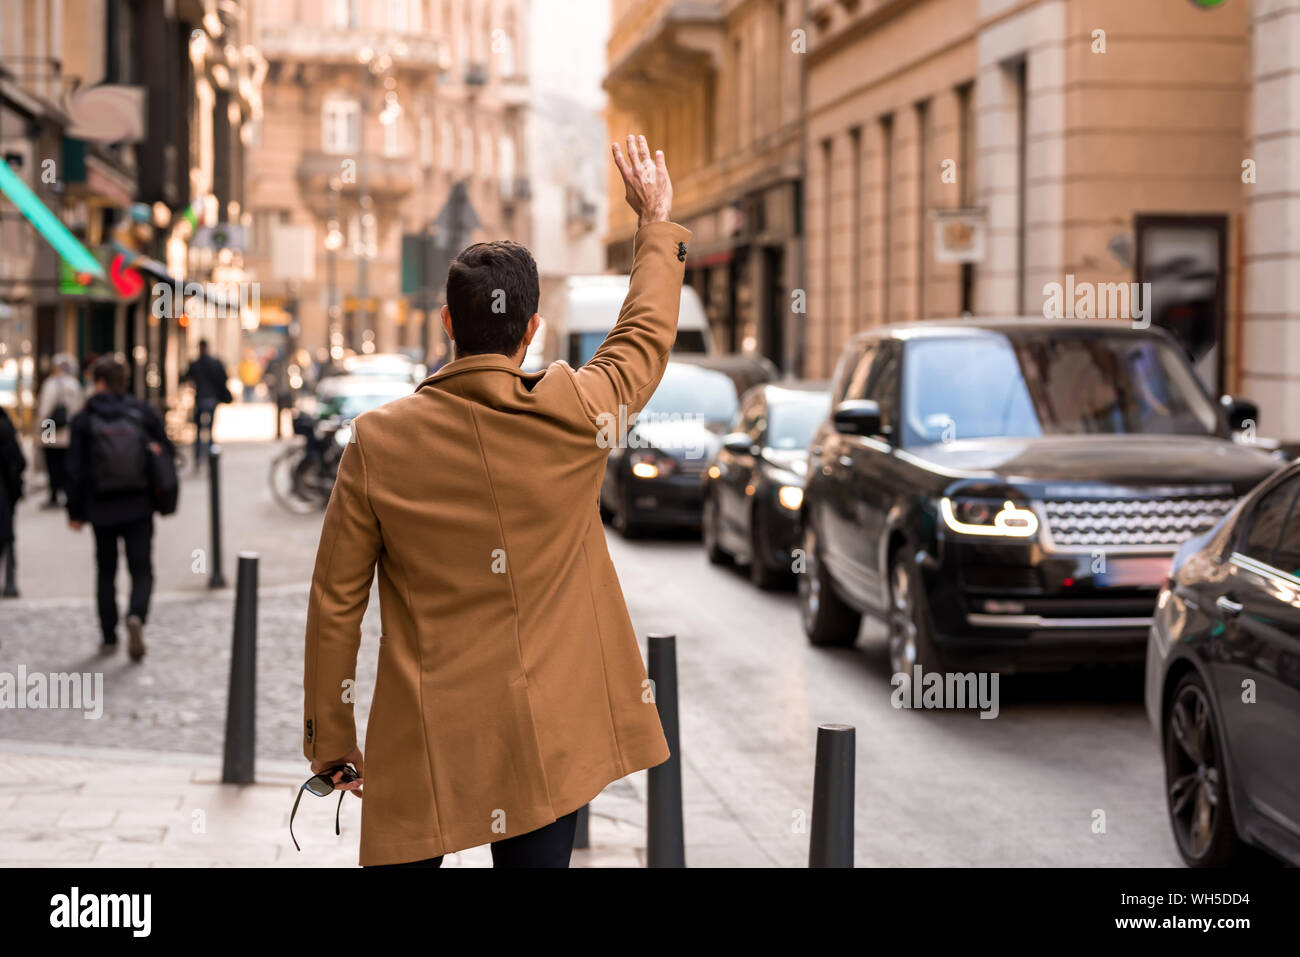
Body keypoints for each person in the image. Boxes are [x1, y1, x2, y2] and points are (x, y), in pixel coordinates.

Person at [302, 135, 686, 868]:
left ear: (448, 324)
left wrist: (331, 740)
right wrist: (654, 225)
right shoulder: (576, 409)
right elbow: (642, 340)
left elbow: (334, 605)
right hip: (542, 735)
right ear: (531, 329)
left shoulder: (377, 443)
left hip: (425, 738)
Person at [66, 357, 174, 660]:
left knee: (106, 571)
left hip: (101, 508)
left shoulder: (85, 419)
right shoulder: (141, 412)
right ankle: (136, 615)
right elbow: (166, 452)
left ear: (99, 383)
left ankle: (109, 635)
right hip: (139, 505)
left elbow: (73, 470)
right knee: (141, 569)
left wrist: (75, 512)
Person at [36, 353, 85, 508]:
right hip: (69, 428)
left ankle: (54, 494)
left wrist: (39, 426)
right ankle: (67, 492)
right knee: (66, 462)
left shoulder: (51, 384)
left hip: (50, 426)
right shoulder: (75, 384)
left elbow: (45, 409)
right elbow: (78, 407)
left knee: (51, 461)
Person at [181, 339, 229, 470]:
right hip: (211, 399)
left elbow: (184, 378)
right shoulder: (214, 363)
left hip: (201, 399)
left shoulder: (196, 364)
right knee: (209, 432)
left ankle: (199, 459)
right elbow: (224, 378)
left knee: (199, 432)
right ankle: (210, 458)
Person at [0, 404, 26, 597]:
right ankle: (10, 583)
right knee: (6, 538)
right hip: (3, 494)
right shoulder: (4, 424)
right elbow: (19, 461)